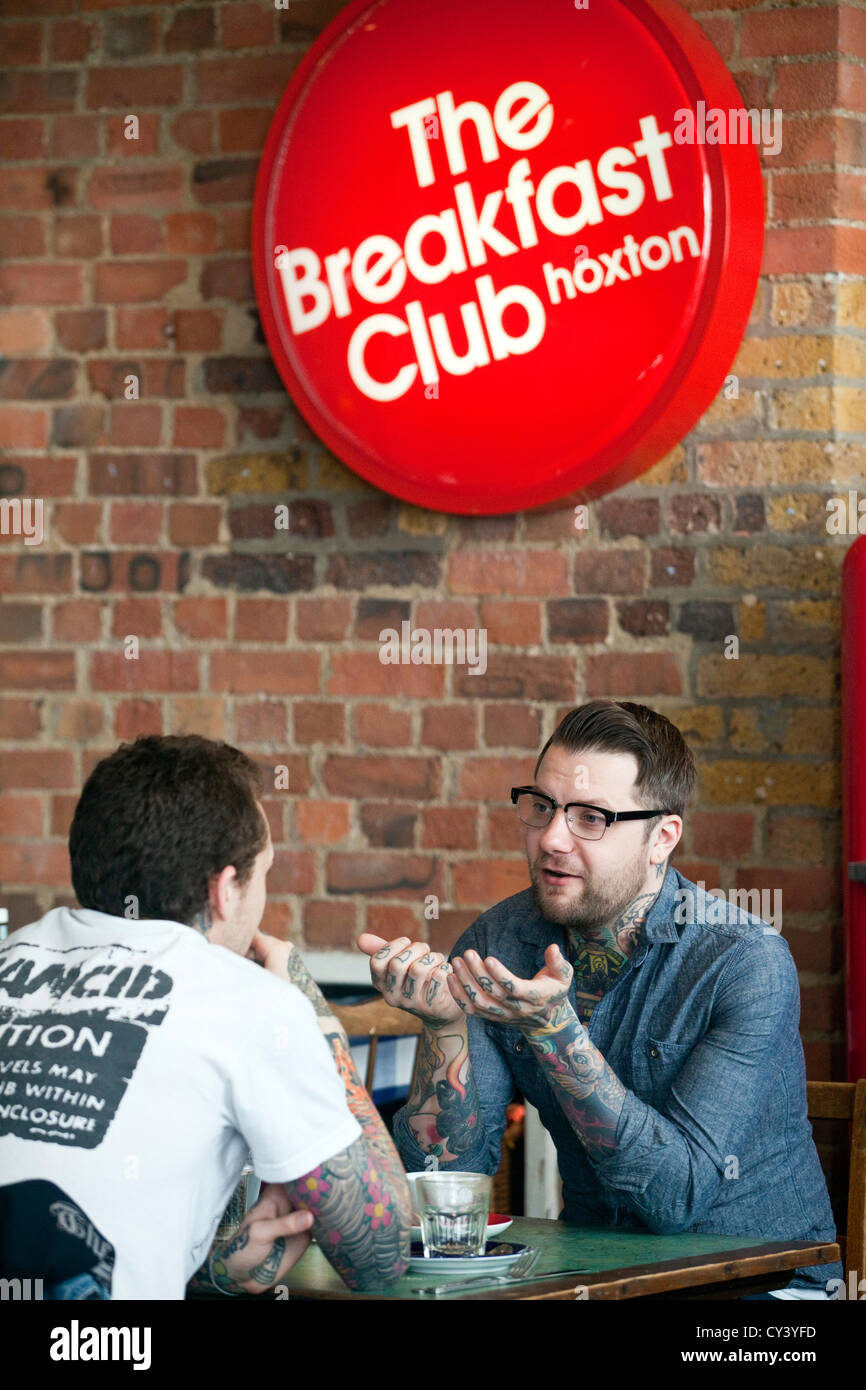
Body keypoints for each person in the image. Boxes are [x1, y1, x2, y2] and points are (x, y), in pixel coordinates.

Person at [359, 699, 842, 1299]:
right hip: (592, 1277)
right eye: (542, 807)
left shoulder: (742, 961)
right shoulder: (499, 940)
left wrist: (556, 1029)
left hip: (760, 1284)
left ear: (661, 838)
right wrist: (444, 1024)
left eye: (591, 817)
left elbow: (675, 1200)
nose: (552, 839)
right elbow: (446, 1180)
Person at [0, 734, 411, 1299]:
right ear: (223, 890)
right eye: (261, 871)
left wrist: (217, 1269)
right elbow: (381, 1254)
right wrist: (317, 1018)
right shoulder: (251, 1001)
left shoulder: (13, 952)